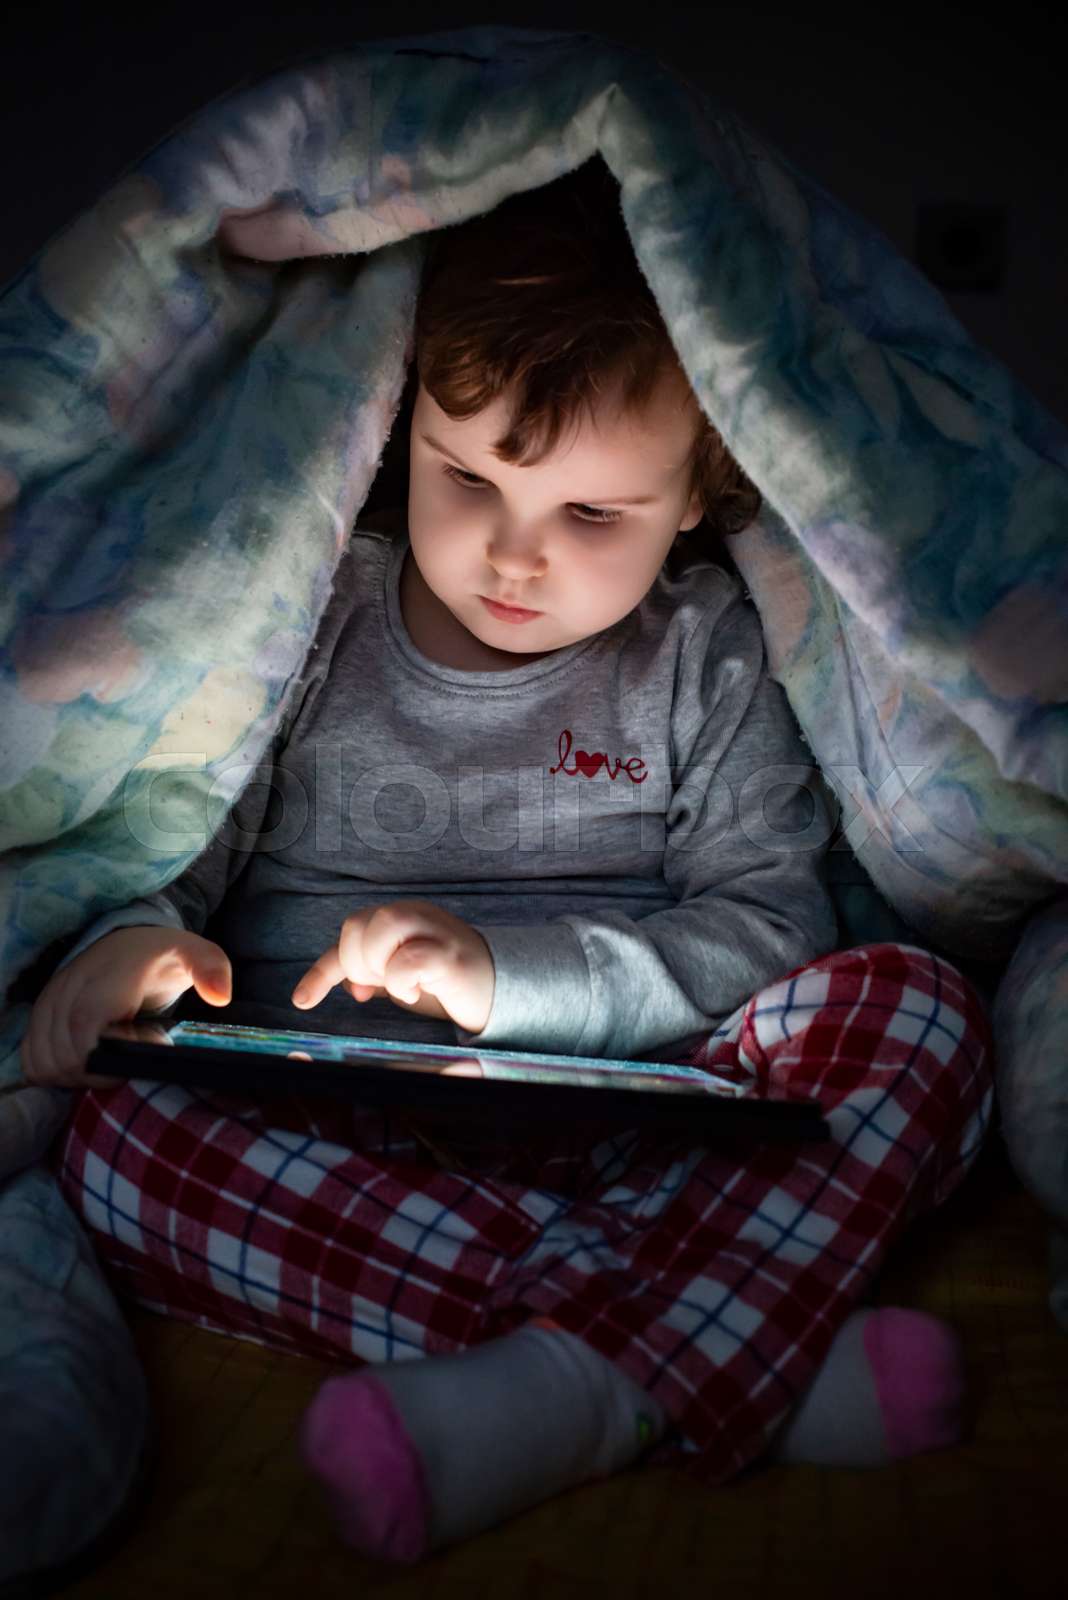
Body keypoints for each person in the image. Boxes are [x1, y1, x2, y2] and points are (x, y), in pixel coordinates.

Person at [29, 159, 992, 1563]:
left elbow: (768, 922)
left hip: (643, 1121)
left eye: (591, 516)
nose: (510, 554)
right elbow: (178, 847)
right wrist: (140, 936)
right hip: (346, 1134)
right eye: (463, 477)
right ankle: (713, 1365)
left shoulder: (701, 654)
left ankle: (576, 1382)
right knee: (117, 1145)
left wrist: (506, 978)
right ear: (396, 430)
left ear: (697, 495)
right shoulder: (314, 621)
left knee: (914, 1008)